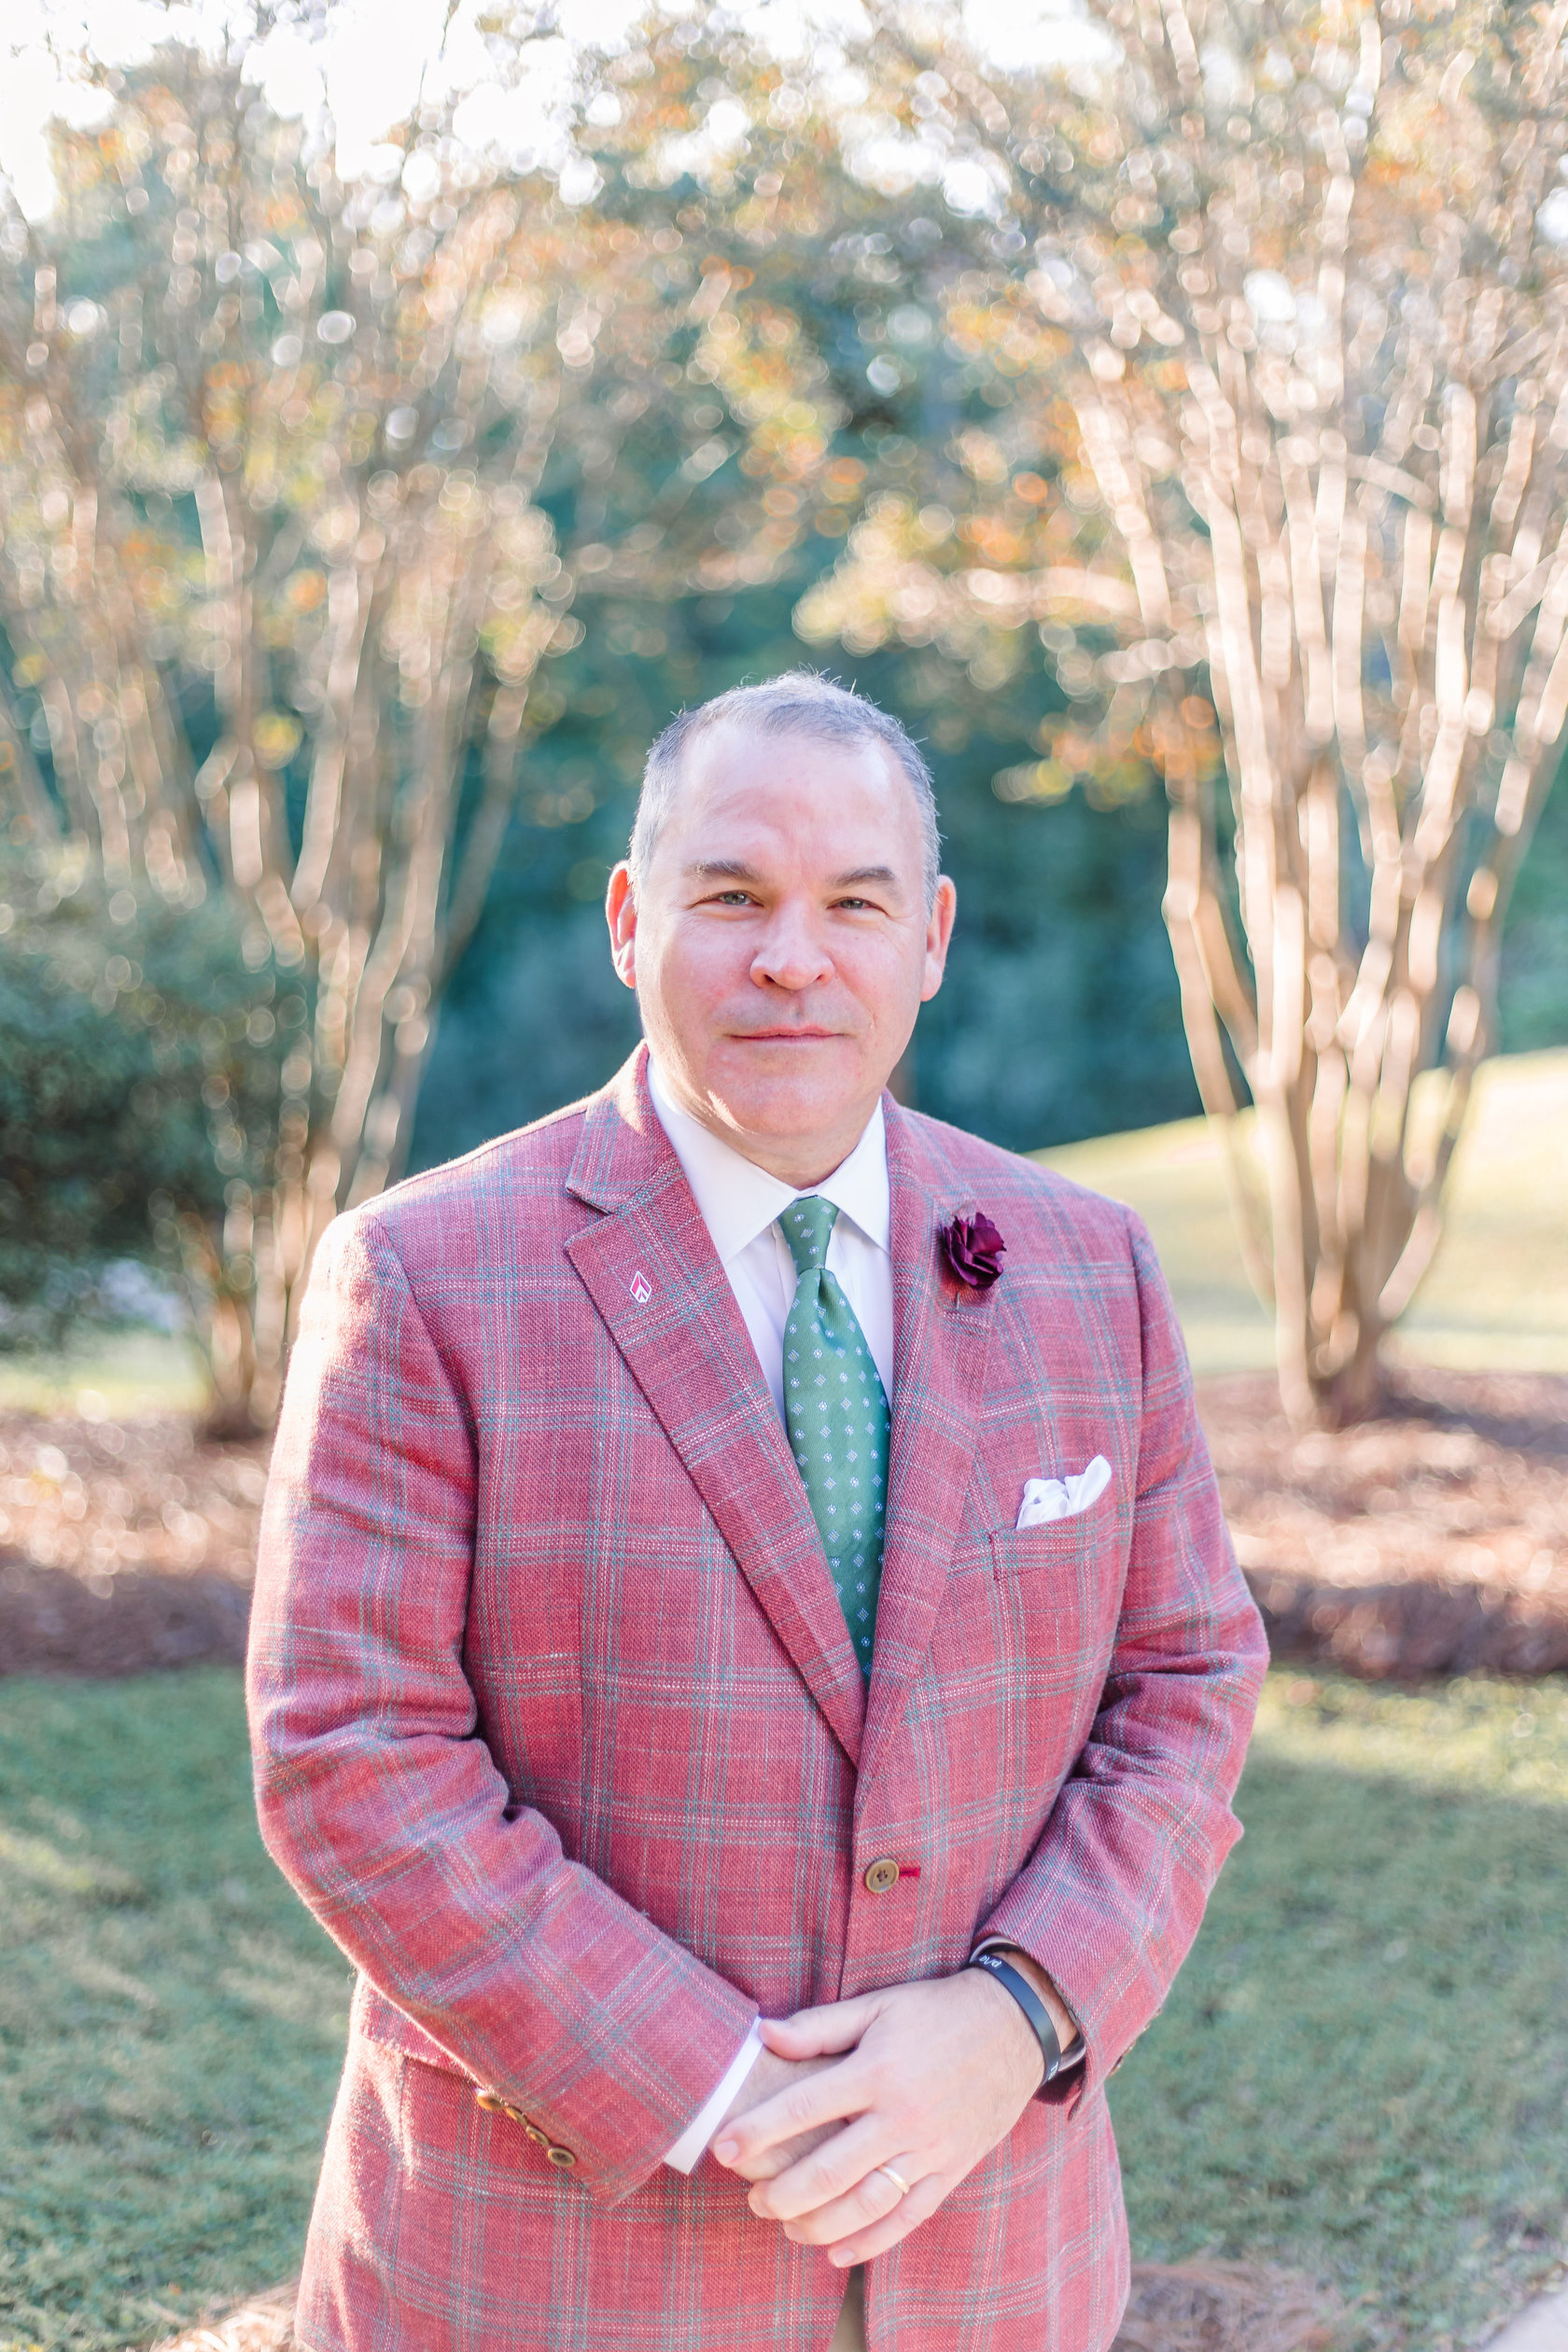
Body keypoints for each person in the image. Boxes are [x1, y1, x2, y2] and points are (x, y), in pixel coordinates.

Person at [248, 671, 1267, 2352]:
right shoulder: (422, 1278)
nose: (794, 956)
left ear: (930, 937)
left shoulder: (1093, 1270)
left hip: (994, 2266)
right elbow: (352, 1756)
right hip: (552, 2280)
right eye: (733, 896)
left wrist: (1019, 2014)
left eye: (854, 902)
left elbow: (1187, 1684)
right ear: (630, 921)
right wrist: (724, 2086)